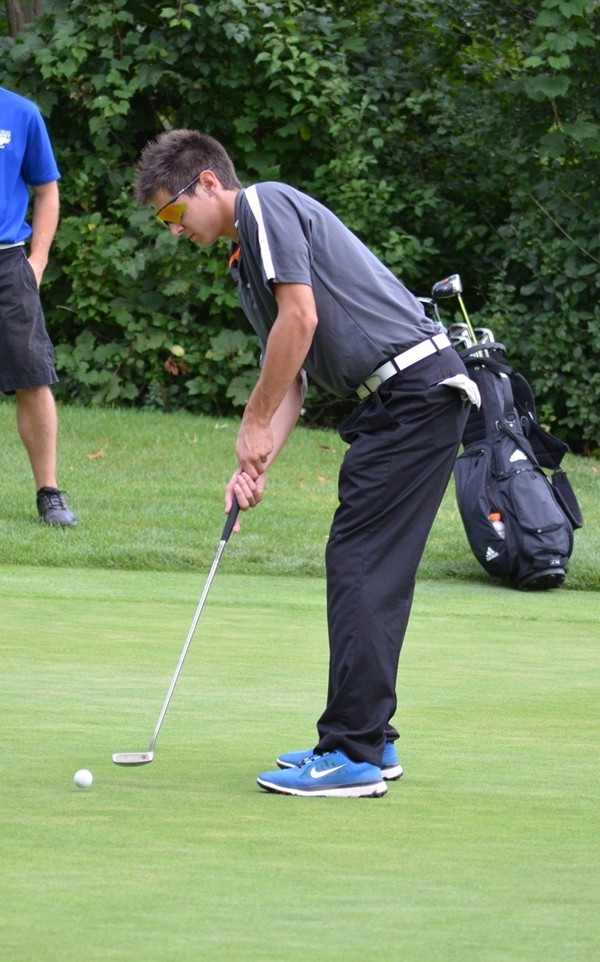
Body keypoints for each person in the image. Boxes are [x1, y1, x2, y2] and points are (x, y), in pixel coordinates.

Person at [135, 129, 480, 798]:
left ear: (208, 183)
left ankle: (351, 752)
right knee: (363, 565)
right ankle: (367, 740)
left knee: (360, 566)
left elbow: (303, 319)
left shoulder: (263, 204)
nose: (174, 231)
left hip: (415, 391)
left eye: (173, 213)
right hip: (397, 405)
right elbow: (288, 374)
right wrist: (257, 461)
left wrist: (252, 419)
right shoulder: (247, 264)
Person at [0, 86, 76, 526]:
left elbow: (47, 191)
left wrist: (38, 261)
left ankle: (48, 491)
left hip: (10, 263)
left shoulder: (21, 113)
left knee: (33, 376)